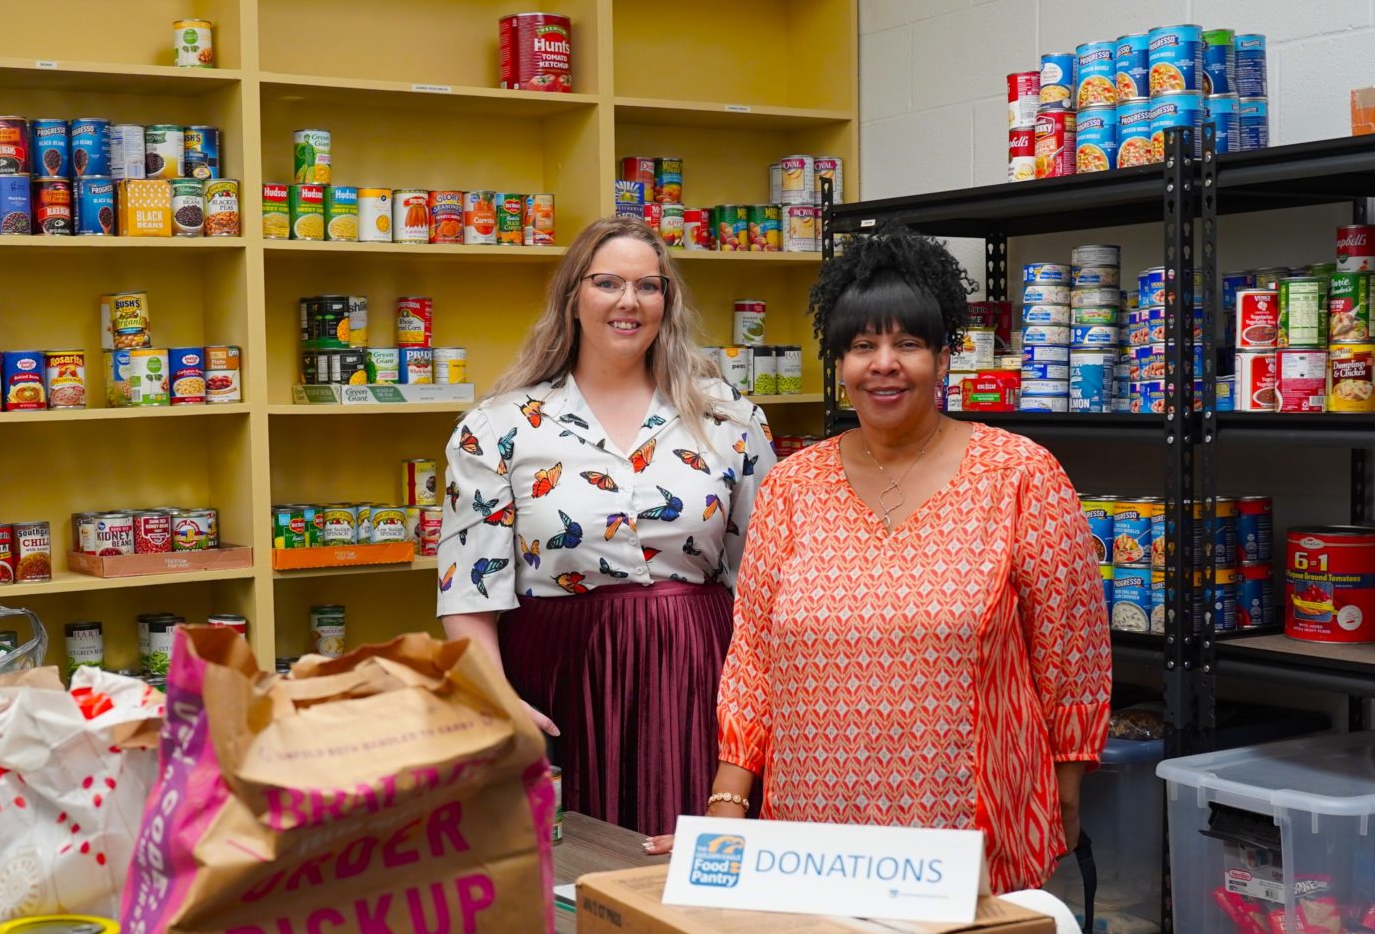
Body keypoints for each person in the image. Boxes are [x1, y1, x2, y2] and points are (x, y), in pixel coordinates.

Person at [664, 226, 1110, 895]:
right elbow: (753, 653)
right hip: (812, 840)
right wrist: (730, 801)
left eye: (907, 344)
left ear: (943, 357)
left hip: (969, 836)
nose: (884, 364)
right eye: (862, 346)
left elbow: (1070, 649)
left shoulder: (1018, 474)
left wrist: (1067, 787)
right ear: (838, 362)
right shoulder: (793, 487)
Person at [439, 215, 772, 833]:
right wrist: (498, 700)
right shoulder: (500, 426)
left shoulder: (729, 419)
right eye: (607, 283)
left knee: (692, 865)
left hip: (696, 672)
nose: (629, 302)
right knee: (571, 873)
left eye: (649, 286)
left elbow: (763, 578)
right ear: (573, 296)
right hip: (558, 678)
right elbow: (468, 592)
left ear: (666, 302)